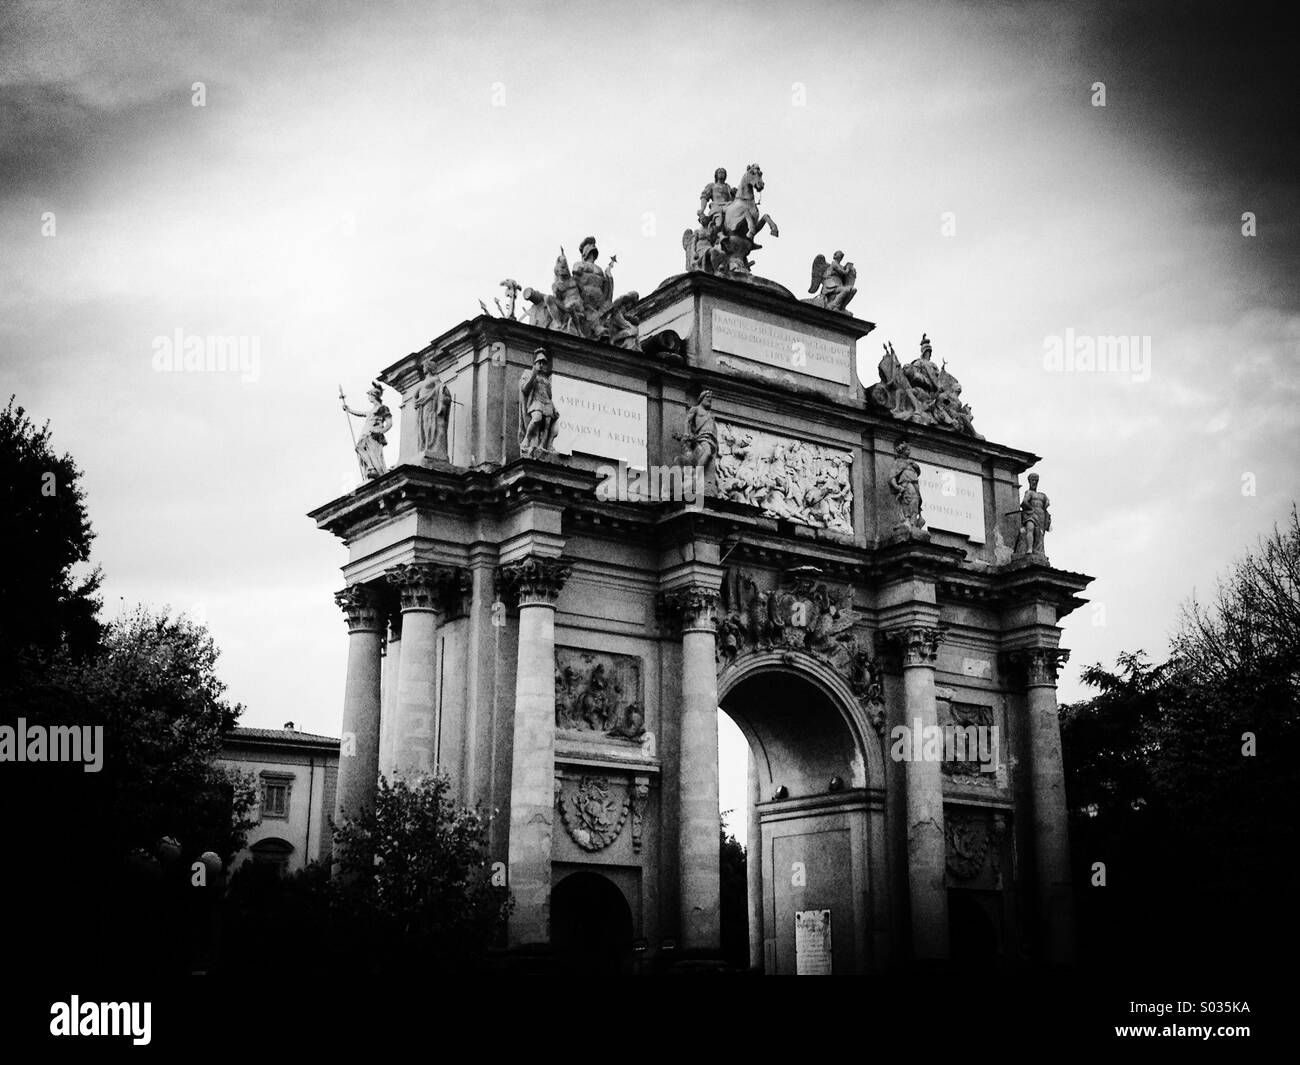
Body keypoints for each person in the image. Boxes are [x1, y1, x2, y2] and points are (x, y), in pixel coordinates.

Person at [343, 382, 391, 479]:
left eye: (369, 395)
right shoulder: (371, 410)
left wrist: (380, 431)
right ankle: (370, 467)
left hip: (373, 435)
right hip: (366, 433)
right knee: (359, 448)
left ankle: (374, 469)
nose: (368, 397)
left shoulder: (383, 408)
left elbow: (389, 423)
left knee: (372, 453)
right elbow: (361, 414)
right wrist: (349, 410)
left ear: (374, 396)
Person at [519, 348, 559, 454]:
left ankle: (542, 445)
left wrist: (553, 407)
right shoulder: (528, 373)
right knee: (536, 418)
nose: (541, 365)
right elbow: (524, 389)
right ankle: (527, 439)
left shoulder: (546, 379)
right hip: (536, 401)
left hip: (547, 403)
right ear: (535, 362)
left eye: (543, 363)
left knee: (546, 425)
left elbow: (549, 395)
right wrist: (533, 375)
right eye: (539, 362)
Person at [1014, 473, 1051, 555]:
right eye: (1032, 480)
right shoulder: (1029, 492)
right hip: (1030, 514)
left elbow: (1046, 506)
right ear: (1029, 481)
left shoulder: (1043, 495)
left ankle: (1038, 551)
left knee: (1039, 533)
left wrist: (1046, 518)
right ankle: (1029, 548)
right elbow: (1024, 502)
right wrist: (1031, 509)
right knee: (1030, 528)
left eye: (1036, 480)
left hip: (1041, 515)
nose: (1034, 482)